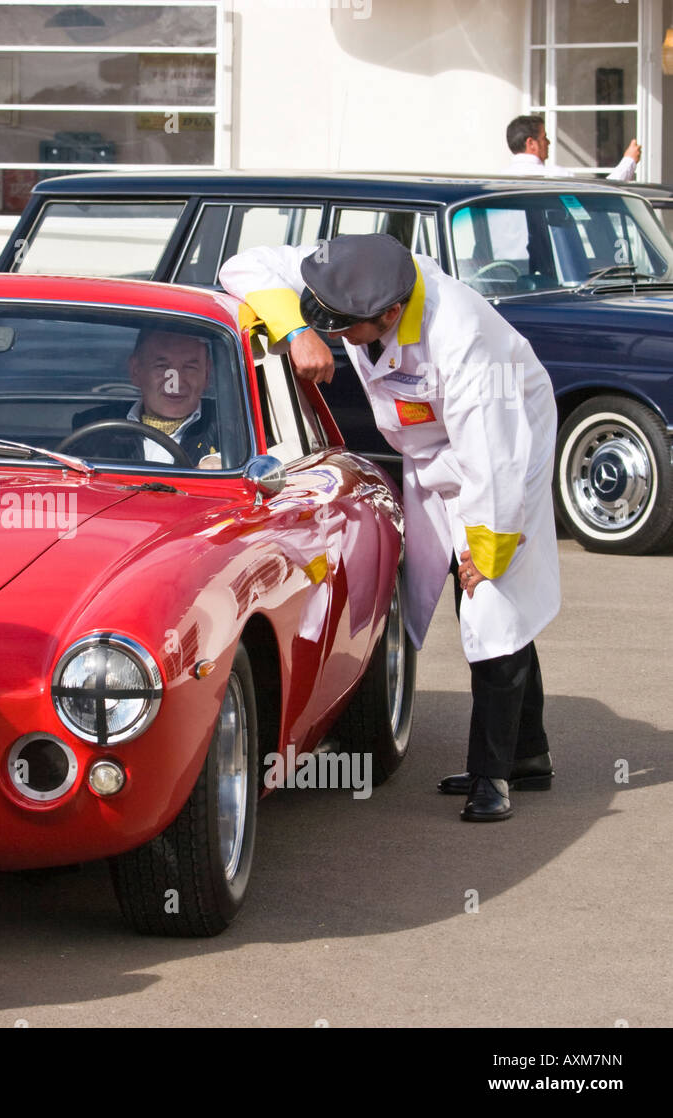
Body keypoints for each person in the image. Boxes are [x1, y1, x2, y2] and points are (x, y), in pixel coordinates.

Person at [219, 234, 560, 822]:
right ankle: (529, 753)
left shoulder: (465, 341)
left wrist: (486, 547)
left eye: (342, 328)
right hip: (435, 454)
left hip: (505, 451)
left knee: (491, 604)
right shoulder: (352, 280)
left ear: (391, 314)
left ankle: (494, 775)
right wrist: (297, 330)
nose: (334, 335)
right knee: (483, 599)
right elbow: (241, 265)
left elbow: (494, 458)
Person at [69, 328, 221, 466]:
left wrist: (221, 461)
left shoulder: (233, 429)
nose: (176, 382)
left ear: (207, 374)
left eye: (190, 367)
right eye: (162, 366)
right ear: (136, 371)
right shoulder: (92, 428)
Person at [503, 113, 640, 181]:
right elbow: (602, 194)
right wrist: (629, 161)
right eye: (544, 137)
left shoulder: (500, 180)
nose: (548, 143)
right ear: (531, 143)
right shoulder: (555, 177)